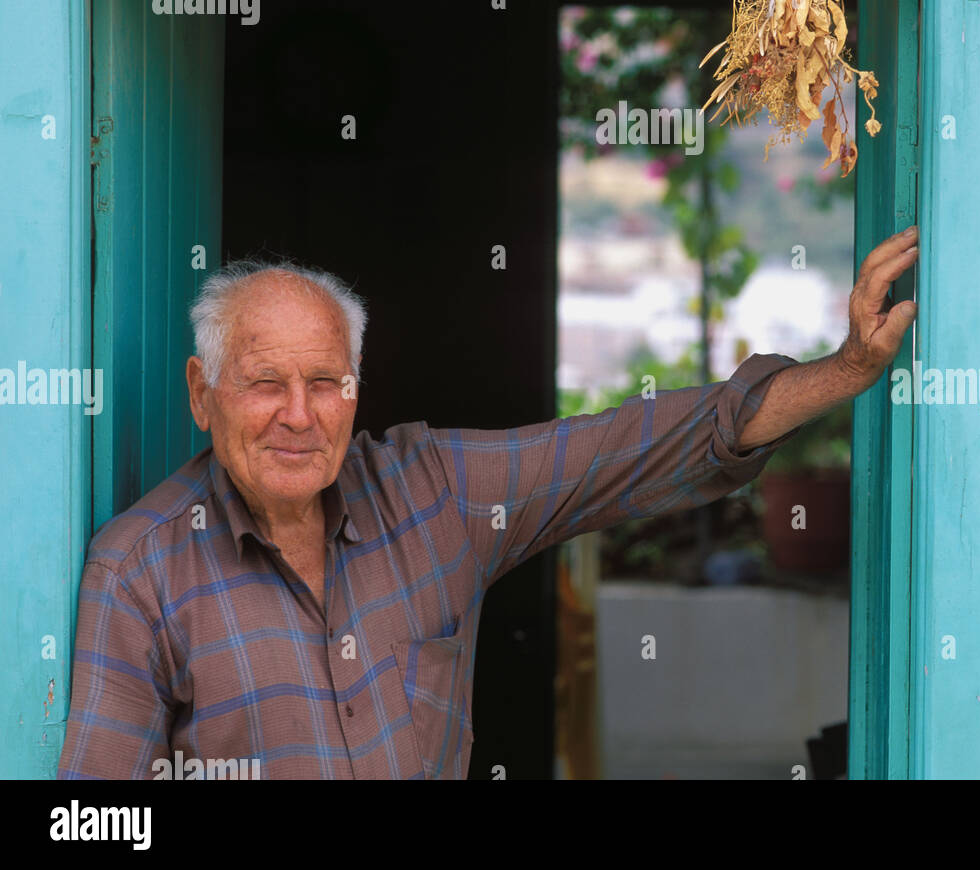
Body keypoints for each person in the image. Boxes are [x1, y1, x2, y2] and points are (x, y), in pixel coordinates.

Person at [57, 228, 918, 779]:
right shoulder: (140, 570)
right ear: (201, 395)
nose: (298, 414)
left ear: (358, 392)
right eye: (263, 384)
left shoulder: (433, 495)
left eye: (326, 382)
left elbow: (629, 449)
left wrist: (844, 370)